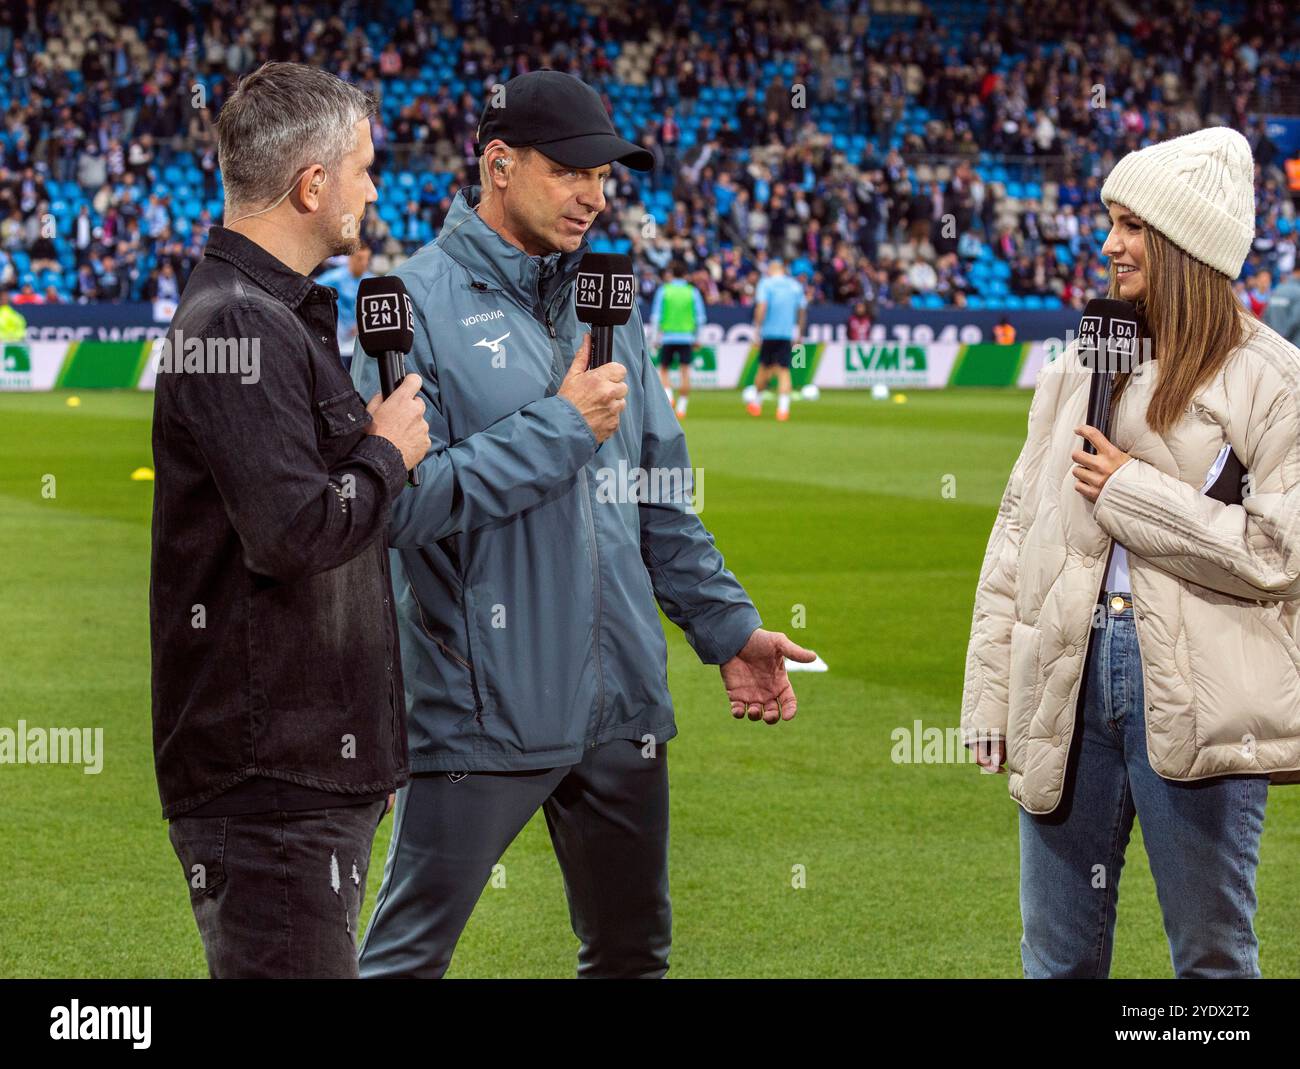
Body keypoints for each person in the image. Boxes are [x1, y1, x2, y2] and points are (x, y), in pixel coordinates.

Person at [350, 70, 816, 979]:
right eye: (573, 173)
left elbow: (658, 491)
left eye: (606, 177)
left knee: (632, 956)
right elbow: (395, 507)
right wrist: (561, 426)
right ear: (497, 164)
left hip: (622, 708)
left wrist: (725, 625)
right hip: (484, 706)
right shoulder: (406, 307)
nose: (597, 198)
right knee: (402, 964)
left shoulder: (610, 302)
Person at [962, 127, 1300, 979]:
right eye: (1110, 222)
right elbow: (1017, 529)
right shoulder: (1079, 362)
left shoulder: (1273, 377)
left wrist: (1127, 491)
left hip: (1197, 691)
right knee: (1055, 963)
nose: (1108, 244)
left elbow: (1278, 553)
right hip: (1065, 684)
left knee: (1213, 962)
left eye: (1133, 225)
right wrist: (989, 687)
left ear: (1189, 244)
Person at [150, 63, 431, 978]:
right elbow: (292, 532)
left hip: (297, 771)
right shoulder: (239, 322)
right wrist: (387, 450)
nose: (374, 188)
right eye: (363, 168)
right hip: (273, 780)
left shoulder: (264, 316)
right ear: (314, 185)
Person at [743, 258, 806, 421]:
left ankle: (756, 403)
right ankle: (783, 409)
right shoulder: (795, 286)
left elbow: (762, 306)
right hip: (786, 333)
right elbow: (802, 311)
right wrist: (799, 333)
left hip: (769, 332)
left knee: (764, 368)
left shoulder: (766, 284)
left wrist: (757, 329)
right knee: (784, 370)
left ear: (771, 270)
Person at [649, 259, 705, 419]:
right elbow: (700, 318)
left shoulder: (664, 291)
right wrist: (697, 337)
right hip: (686, 337)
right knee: (685, 372)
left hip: (668, 337)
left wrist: (654, 337)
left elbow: (656, 317)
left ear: (670, 274)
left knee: (664, 370)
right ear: (686, 275)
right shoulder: (692, 292)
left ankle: (669, 396)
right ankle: (682, 406)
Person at [316, 244, 374, 358]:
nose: (364, 263)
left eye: (367, 259)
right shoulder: (334, 278)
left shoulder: (371, 281)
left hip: (361, 342)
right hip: (338, 341)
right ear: (350, 259)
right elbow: (312, 289)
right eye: (359, 258)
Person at [1264, 264, 1300, 347]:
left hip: (1273, 343)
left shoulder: (1277, 289)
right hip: (1293, 346)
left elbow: (1266, 315)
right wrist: (1284, 337)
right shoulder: (1298, 291)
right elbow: (1295, 320)